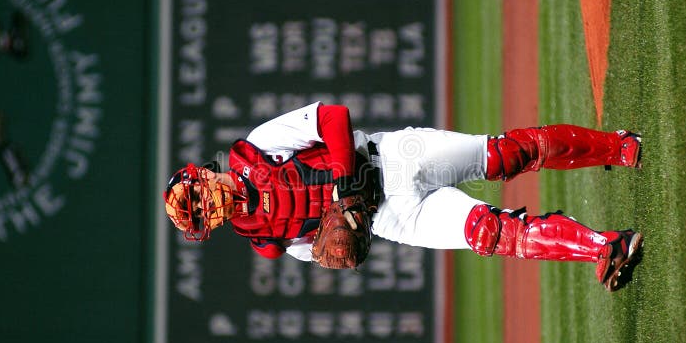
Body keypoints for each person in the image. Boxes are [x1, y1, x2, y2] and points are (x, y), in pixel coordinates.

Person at [163, 102, 644, 291]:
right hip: (391, 218)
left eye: (196, 197)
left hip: (393, 157)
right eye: (199, 215)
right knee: (491, 233)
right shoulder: (266, 241)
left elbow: (332, 117)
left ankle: (618, 147)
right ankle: (607, 248)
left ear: (200, 175)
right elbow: (334, 248)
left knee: (503, 157)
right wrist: (345, 247)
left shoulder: (254, 149)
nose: (207, 206)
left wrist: (346, 182)